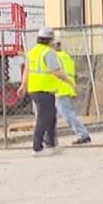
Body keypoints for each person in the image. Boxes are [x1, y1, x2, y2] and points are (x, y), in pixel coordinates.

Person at [18, 26, 75, 156]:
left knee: (50, 115)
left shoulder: (32, 52)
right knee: (44, 117)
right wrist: (70, 81)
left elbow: (27, 71)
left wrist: (23, 85)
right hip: (44, 89)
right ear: (50, 40)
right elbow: (56, 71)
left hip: (35, 89)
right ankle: (37, 148)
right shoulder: (49, 53)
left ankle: (51, 144)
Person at [52, 39, 91, 145]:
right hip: (67, 88)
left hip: (60, 89)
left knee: (67, 114)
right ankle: (52, 139)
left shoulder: (56, 58)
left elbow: (54, 73)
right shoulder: (66, 56)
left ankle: (83, 134)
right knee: (64, 114)